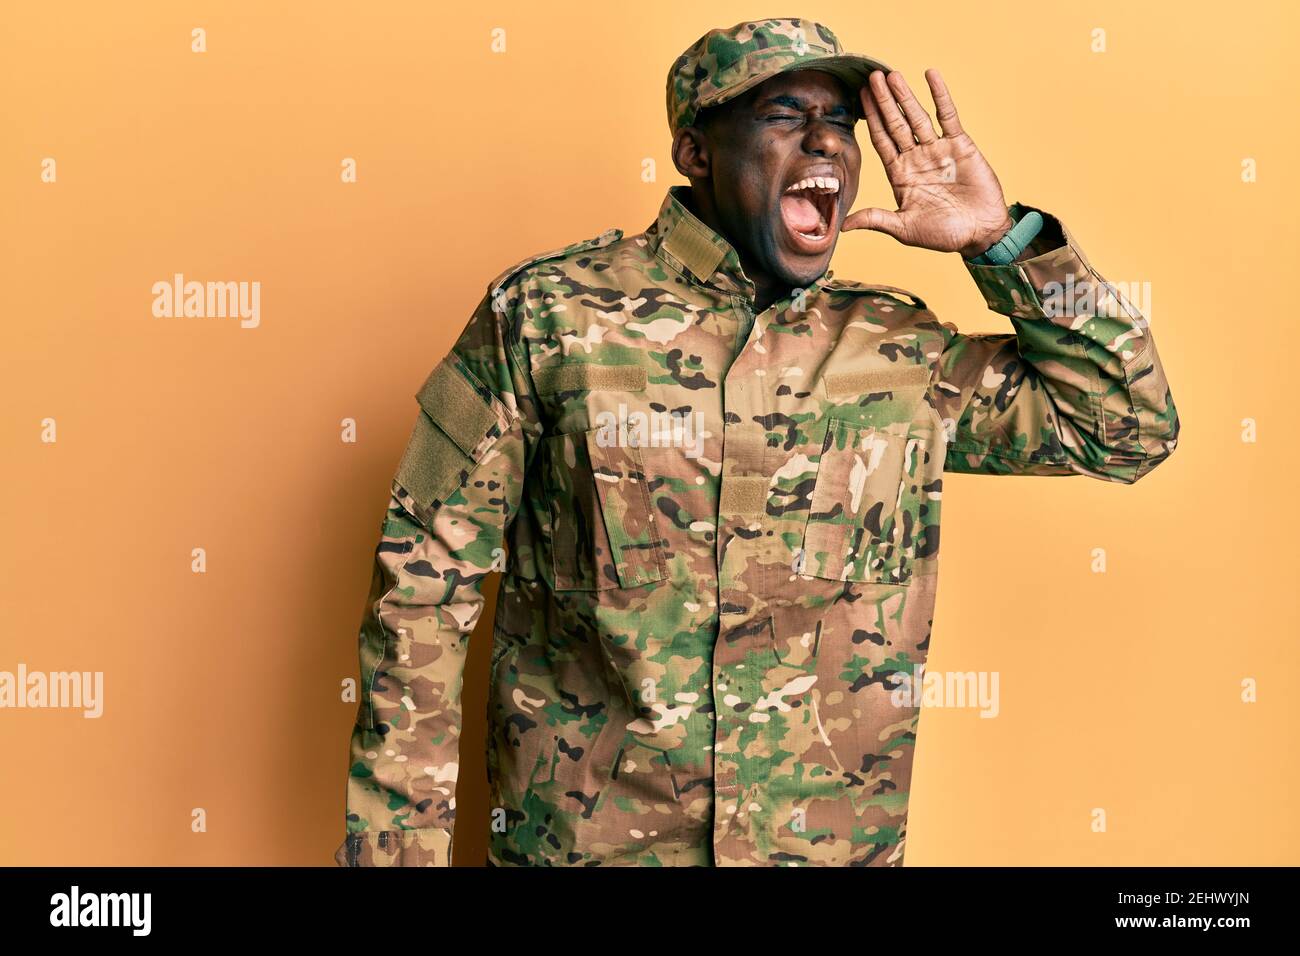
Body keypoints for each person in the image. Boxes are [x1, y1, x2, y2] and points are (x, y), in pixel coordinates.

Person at [334, 17, 1179, 867]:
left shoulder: (895, 347)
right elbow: (420, 588)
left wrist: (1003, 247)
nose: (826, 142)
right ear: (697, 153)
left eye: (841, 121)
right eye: (783, 114)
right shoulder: (548, 317)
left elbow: (1125, 429)